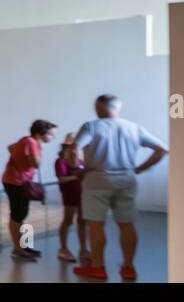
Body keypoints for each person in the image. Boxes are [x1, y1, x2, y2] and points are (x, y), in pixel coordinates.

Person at [72, 94, 168, 281]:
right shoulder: (133, 127)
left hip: (97, 179)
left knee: (96, 225)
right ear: (118, 108)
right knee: (127, 224)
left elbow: (73, 148)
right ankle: (129, 267)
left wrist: (76, 168)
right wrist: (139, 168)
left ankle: (98, 267)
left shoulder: (90, 126)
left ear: (97, 108)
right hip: (126, 178)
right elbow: (162, 149)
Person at [2, 119, 56, 260]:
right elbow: (37, 164)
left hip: (18, 181)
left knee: (21, 214)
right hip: (15, 182)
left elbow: (10, 147)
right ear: (41, 133)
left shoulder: (26, 140)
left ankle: (23, 246)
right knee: (17, 215)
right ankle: (18, 249)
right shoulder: (31, 142)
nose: (52, 138)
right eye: (51, 135)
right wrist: (37, 150)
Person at [54, 134, 88, 263]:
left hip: (82, 194)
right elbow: (62, 179)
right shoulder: (60, 161)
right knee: (67, 221)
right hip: (70, 195)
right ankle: (63, 248)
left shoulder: (80, 161)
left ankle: (83, 249)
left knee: (82, 222)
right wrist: (77, 177)